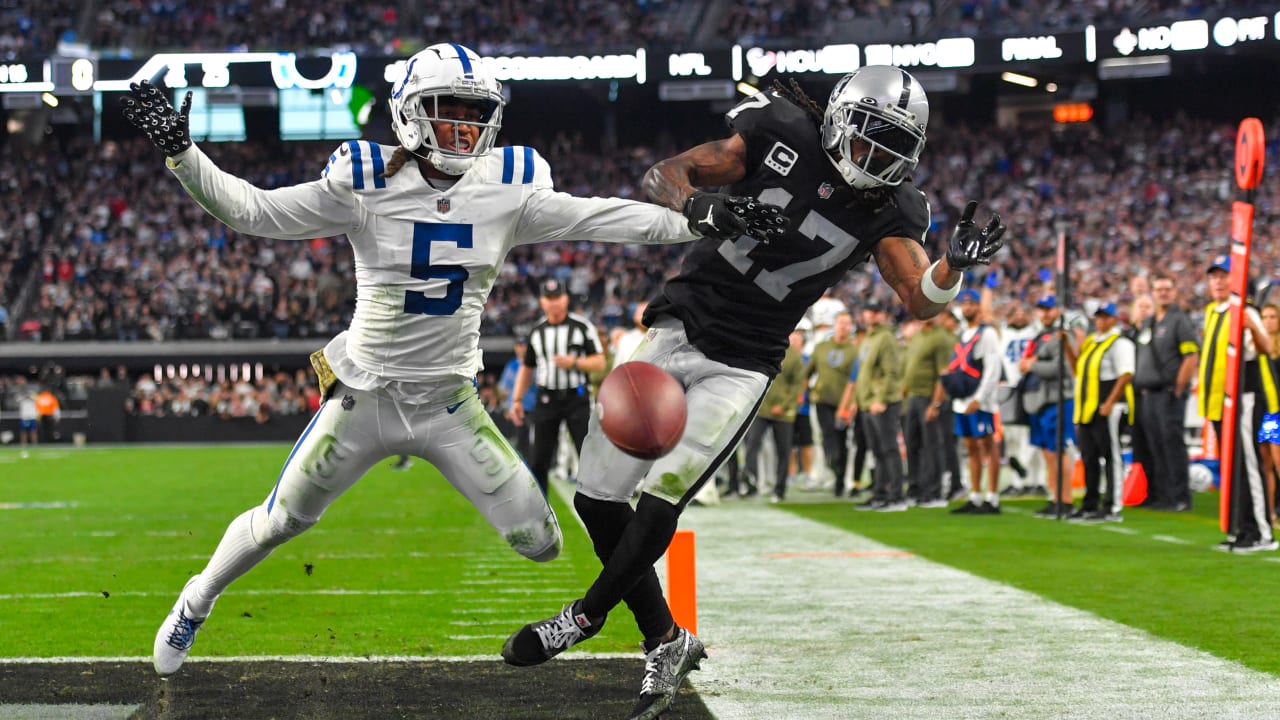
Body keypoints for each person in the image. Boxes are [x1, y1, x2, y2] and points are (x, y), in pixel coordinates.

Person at [122, 42, 716, 677]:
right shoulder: (364, 182)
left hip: (449, 406)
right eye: (447, 111)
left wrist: (704, 221)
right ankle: (197, 598)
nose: (463, 128)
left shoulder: (507, 187)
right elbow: (253, 212)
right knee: (279, 522)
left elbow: (606, 218)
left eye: (474, 113)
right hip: (364, 401)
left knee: (542, 545)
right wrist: (183, 155)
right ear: (409, 114)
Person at [501, 65, 1004, 720]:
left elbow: (917, 298)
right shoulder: (777, 129)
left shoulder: (895, 209)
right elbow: (663, 174)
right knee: (597, 498)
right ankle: (667, 638)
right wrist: (696, 204)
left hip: (745, 360)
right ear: (839, 120)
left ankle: (584, 617)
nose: (877, 157)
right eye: (869, 138)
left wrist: (953, 268)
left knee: (664, 495)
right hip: (678, 328)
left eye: (892, 147)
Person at [1198, 255, 1278, 552]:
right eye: (1214, 276)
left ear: (1237, 279)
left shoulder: (1245, 310)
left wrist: (1252, 327)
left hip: (1244, 398)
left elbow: (1266, 348)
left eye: (1224, 275)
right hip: (1219, 402)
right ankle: (1239, 528)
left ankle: (1261, 532)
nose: (1218, 281)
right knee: (1231, 467)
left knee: (1249, 464)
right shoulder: (1211, 312)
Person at [508, 279, 605, 492]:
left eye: (558, 297)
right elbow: (527, 367)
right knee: (538, 460)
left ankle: (599, 507)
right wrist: (517, 399)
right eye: (549, 298)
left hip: (577, 398)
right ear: (542, 301)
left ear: (566, 298)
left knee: (588, 456)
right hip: (546, 398)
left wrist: (575, 363)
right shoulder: (537, 331)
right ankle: (541, 515)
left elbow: (600, 361)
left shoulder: (581, 327)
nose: (554, 303)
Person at [1131, 273, 1198, 511]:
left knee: (1172, 445)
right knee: (1153, 445)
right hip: (1147, 394)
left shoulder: (1179, 321)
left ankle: (1180, 497)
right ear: (1152, 292)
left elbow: (1191, 357)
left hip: (1168, 392)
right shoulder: (1150, 322)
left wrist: (1178, 388)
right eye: (1158, 289)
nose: (1163, 293)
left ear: (1174, 292)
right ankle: (1159, 495)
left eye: (1167, 289)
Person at [1070, 302, 1135, 522]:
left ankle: (1112, 505)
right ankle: (1090, 502)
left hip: (1108, 406)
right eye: (1098, 317)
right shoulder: (1092, 342)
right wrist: (1068, 347)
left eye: (1105, 317)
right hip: (1088, 407)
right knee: (1089, 456)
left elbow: (1125, 374)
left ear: (1115, 319)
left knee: (1111, 456)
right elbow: (1077, 369)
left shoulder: (1120, 343)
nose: (1100, 321)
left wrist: (1109, 402)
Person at [1020, 295, 1078, 518]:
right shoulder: (1040, 336)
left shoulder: (1062, 335)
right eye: (1041, 309)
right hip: (1039, 401)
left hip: (1057, 399)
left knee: (1059, 450)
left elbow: (1061, 368)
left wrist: (1032, 365)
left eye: (1049, 309)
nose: (1045, 313)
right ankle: (1055, 497)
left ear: (1057, 311)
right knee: (1048, 452)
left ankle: (1066, 499)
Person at [948, 288, 1005, 514]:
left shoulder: (987, 334)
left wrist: (980, 399)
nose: (968, 307)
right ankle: (975, 495)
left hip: (981, 401)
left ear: (979, 308)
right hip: (963, 400)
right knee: (970, 446)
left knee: (987, 445)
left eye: (972, 304)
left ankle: (992, 497)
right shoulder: (962, 334)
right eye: (965, 304)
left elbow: (993, 369)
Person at [846, 301, 906, 511]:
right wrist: (856, 401)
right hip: (866, 403)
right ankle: (880, 493)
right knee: (877, 451)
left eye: (875, 312)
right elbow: (862, 373)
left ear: (882, 315)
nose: (871, 316)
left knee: (889, 449)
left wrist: (880, 399)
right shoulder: (868, 339)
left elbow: (891, 371)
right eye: (868, 311)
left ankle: (897, 496)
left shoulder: (886, 337)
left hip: (883, 403)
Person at [738, 324, 806, 501]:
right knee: (752, 446)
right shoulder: (761, 348)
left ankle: (779, 489)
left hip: (784, 413)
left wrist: (783, 405)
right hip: (761, 409)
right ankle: (750, 483)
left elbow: (798, 385)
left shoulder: (794, 356)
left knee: (783, 451)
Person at [899, 313, 954, 507]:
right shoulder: (917, 336)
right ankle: (915, 488)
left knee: (931, 445)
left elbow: (943, 374)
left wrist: (935, 404)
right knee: (912, 444)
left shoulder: (942, 338)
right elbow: (910, 368)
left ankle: (933, 491)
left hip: (928, 397)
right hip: (913, 397)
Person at [807, 311, 858, 497]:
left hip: (842, 404)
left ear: (850, 326)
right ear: (834, 325)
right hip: (822, 400)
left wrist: (851, 404)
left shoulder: (855, 350)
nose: (843, 326)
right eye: (841, 323)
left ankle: (839, 479)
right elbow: (808, 371)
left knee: (842, 441)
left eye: (847, 323)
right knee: (828, 435)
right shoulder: (821, 347)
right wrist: (802, 392)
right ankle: (832, 461)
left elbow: (856, 380)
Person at [499, 337, 536, 459]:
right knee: (519, 442)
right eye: (518, 345)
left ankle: (533, 467)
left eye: (523, 345)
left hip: (532, 408)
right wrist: (506, 407)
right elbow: (504, 389)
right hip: (515, 410)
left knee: (533, 441)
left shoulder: (534, 364)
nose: (521, 348)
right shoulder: (512, 365)